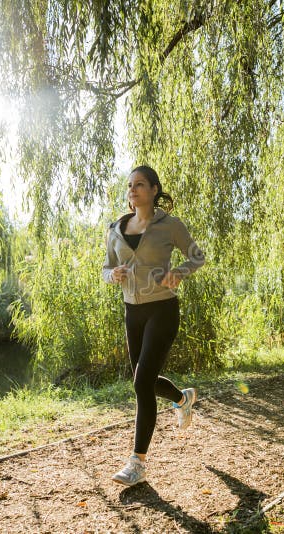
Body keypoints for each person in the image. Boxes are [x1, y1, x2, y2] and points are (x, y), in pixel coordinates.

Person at [102, 165, 206, 486]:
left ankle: (137, 463)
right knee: (142, 381)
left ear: (154, 190)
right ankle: (182, 398)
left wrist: (179, 272)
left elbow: (197, 257)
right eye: (130, 185)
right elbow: (106, 268)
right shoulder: (116, 228)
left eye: (140, 184)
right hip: (132, 313)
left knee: (141, 383)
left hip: (163, 309)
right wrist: (113, 275)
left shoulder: (169, 225)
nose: (132, 190)